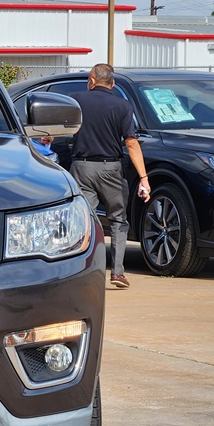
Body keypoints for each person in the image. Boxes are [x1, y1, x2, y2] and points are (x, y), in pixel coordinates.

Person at [68, 63, 151, 289]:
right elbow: (131, 143)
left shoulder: (76, 101)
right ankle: (117, 273)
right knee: (117, 219)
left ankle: (78, 272)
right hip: (110, 169)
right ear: (112, 83)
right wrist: (143, 178)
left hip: (81, 168)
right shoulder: (123, 106)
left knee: (82, 220)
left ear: (91, 81)